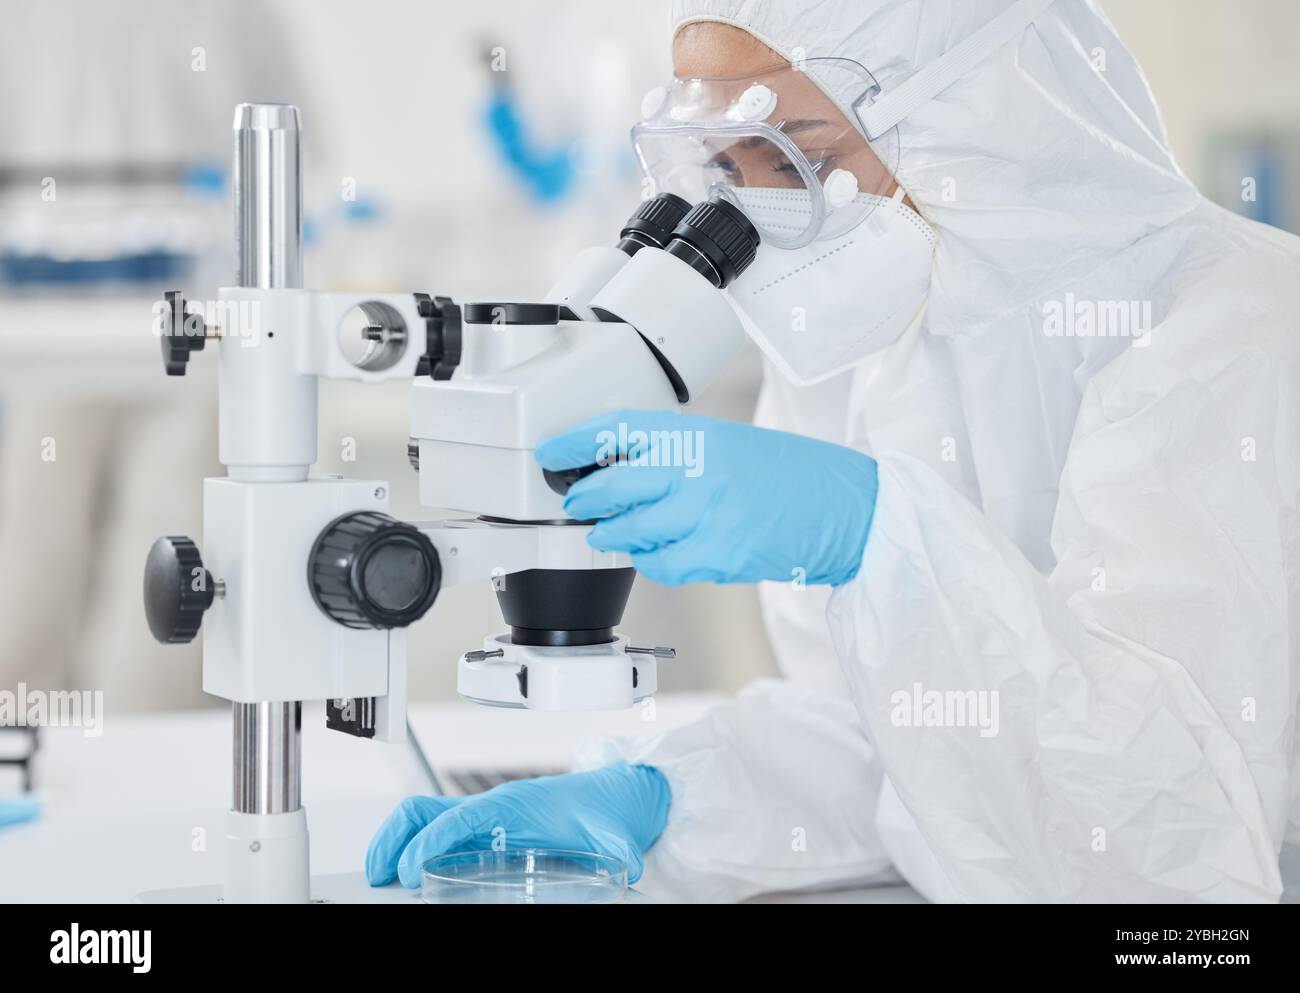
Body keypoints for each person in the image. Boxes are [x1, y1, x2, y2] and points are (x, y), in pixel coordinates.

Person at [368, 0, 1300, 902]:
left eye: (796, 157)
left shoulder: (1235, 333)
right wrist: (671, 804)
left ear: (980, 120)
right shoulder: (871, 342)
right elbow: (896, 743)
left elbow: (1174, 869)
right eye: (723, 164)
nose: (751, 211)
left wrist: (881, 540)